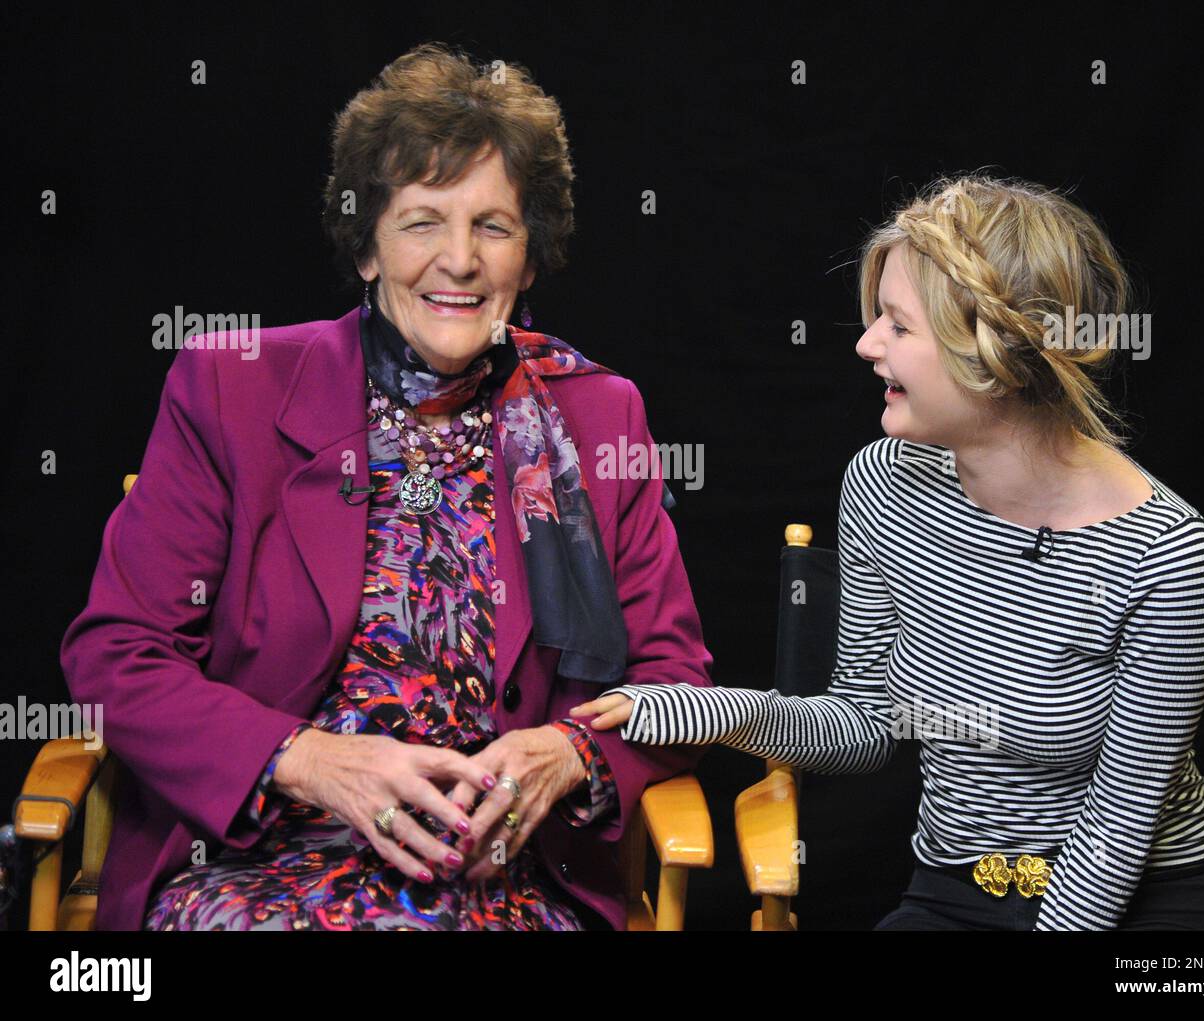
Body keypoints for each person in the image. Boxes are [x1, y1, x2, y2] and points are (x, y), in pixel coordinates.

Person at [59, 41, 713, 931]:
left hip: (503, 885)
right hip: (257, 866)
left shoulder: (599, 420)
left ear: (529, 260)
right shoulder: (232, 387)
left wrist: (570, 752)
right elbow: (116, 659)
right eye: (421, 222)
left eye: (493, 226)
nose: (459, 260)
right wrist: (308, 759)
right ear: (366, 247)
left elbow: (674, 678)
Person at [574, 175, 1204, 931]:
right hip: (955, 890)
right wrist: (694, 708)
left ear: (996, 352)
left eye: (898, 324)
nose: (866, 344)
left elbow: (1119, 829)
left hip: (1143, 899)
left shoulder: (1166, 550)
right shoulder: (884, 486)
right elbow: (863, 723)